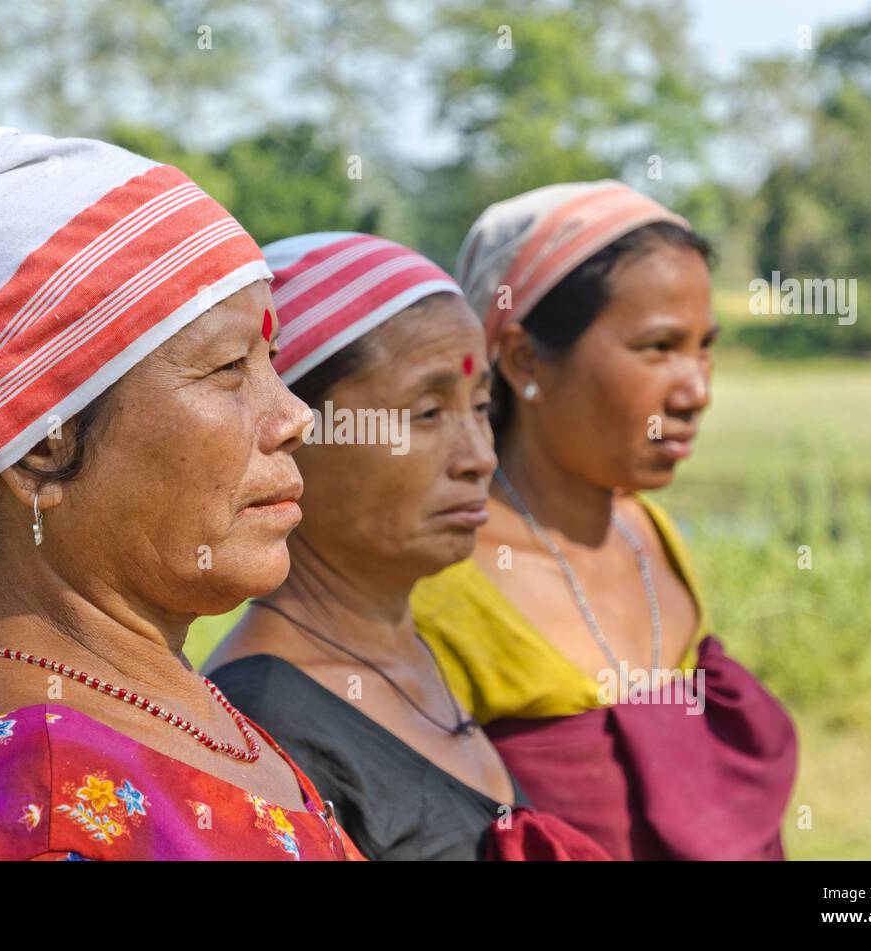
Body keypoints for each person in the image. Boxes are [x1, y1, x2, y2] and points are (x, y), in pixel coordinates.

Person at [0, 125, 363, 860]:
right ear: (44, 443)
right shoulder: (34, 819)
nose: (295, 417)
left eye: (270, 357)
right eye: (227, 369)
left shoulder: (149, 697)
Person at [411, 182, 799, 860]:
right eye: (657, 347)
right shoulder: (443, 579)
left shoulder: (650, 531)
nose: (697, 390)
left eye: (704, 346)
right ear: (525, 359)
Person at [204, 232, 609, 861]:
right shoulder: (264, 727)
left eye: (480, 408)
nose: (480, 457)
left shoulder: (411, 653)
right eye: (427, 413)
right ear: (290, 432)